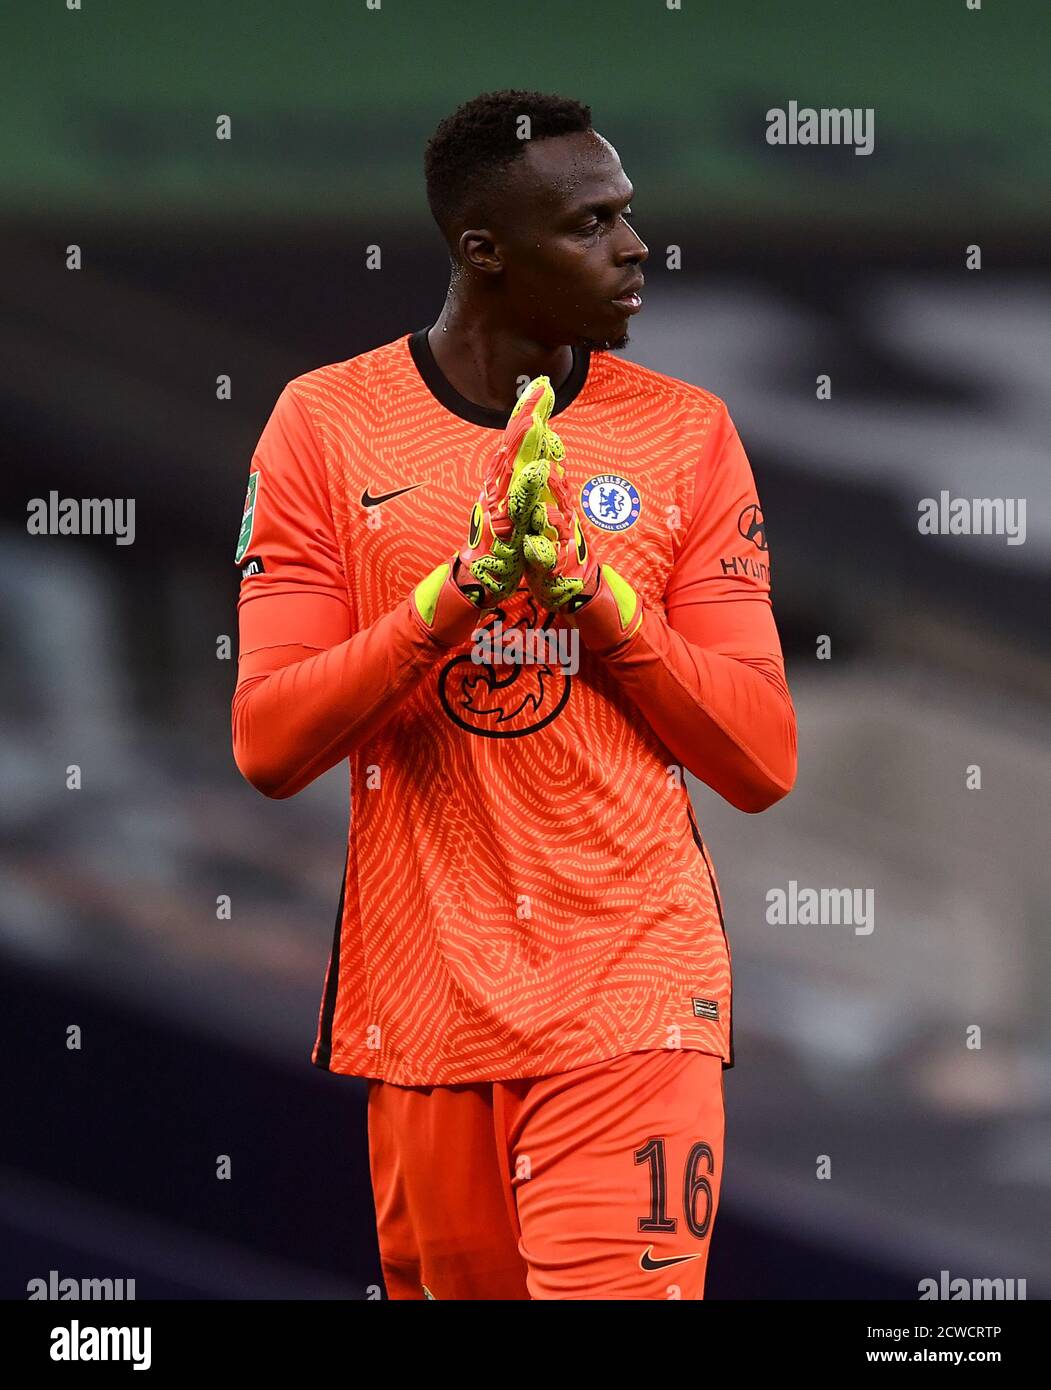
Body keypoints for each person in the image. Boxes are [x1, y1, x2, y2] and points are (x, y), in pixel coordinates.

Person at [231, 89, 797, 1300]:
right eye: (591, 224)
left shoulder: (686, 436)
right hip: (423, 1016)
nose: (636, 247)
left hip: (633, 1000)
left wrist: (590, 595)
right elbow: (270, 743)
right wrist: (455, 598)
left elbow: (759, 757)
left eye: (628, 214)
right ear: (483, 249)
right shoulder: (324, 427)